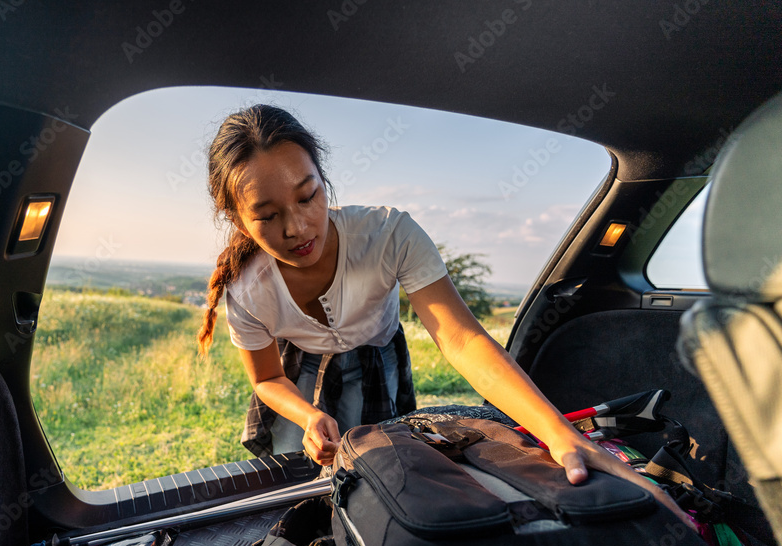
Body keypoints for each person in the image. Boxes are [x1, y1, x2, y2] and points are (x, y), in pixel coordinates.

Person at [195, 104, 693, 521]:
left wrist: (558, 433)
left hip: (378, 362)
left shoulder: (390, 235)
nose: (298, 227)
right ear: (235, 218)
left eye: (309, 196)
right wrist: (308, 416)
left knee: (381, 478)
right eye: (267, 215)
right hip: (298, 372)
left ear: (324, 181)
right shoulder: (246, 288)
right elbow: (267, 379)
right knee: (303, 488)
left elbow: (461, 339)